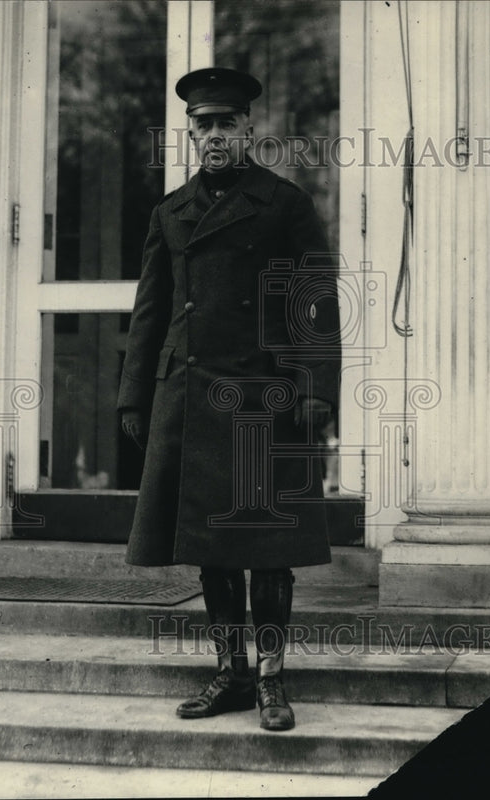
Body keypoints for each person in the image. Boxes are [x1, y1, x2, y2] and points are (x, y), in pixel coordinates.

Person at [118, 67, 341, 731]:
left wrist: (317, 390)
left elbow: (316, 303)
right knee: (209, 543)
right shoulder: (171, 212)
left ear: (248, 128)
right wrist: (134, 396)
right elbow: (150, 311)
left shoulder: (284, 204)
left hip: (264, 396)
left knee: (268, 547)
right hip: (189, 395)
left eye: (225, 123)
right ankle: (232, 674)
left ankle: (271, 679)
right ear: (190, 133)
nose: (214, 135)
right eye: (203, 125)